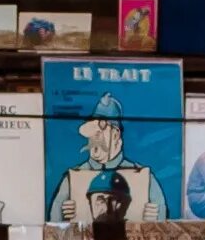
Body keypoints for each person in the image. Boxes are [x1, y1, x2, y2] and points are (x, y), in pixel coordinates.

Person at [46, 95, 171, 228]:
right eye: (92, 134)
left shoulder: (144, 177)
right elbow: (54, 228)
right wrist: (62, 219)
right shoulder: (72, 178)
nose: (94, 139)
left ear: (116, 134)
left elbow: (162, 228)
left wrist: (155, 220)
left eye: (99, 133)